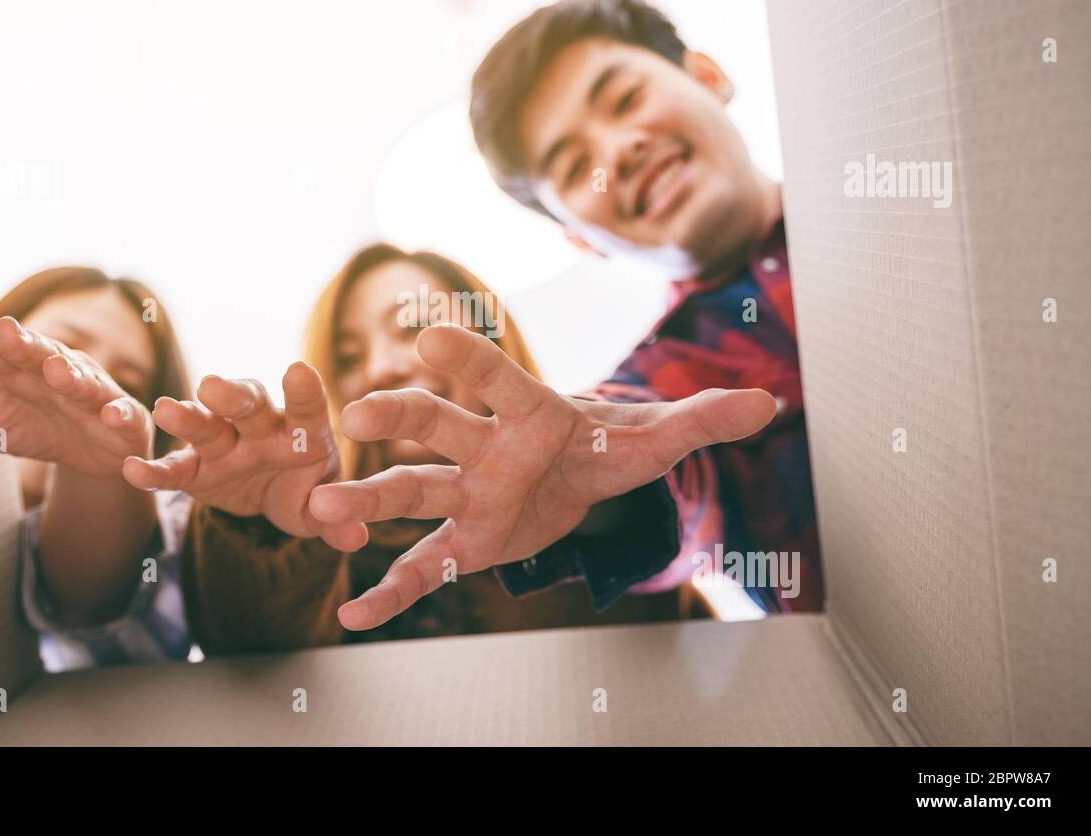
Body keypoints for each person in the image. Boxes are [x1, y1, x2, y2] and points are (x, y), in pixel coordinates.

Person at [128, 243, 773, 650]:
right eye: (347, 355)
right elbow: (251, 654)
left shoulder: (588, 450)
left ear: (490, 337)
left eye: (410, 325)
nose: (379, 366)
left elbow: (690, 535)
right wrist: (255, 530)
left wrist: (598, 510)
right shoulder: (325, 554)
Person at [464, 0, 822, 614]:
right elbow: (656, 480)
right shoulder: (664, 388)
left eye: (625, 100)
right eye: (576, 168)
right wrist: (586, 478)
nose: (618, 153)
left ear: (706, 74)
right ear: (580, 238)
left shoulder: (901, 178)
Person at [0, 267, 195, 670]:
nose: (87, 383)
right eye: (62, 348)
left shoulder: (165, 530)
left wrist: (101, 466)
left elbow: (88, 599)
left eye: (127, 386)